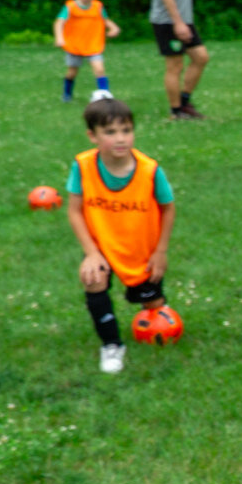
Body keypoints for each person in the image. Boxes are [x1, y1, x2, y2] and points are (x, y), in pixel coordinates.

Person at [65, 99, 176, 375]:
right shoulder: (83, 166)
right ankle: (112, 344)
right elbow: (75, 211)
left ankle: (157, 320)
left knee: (152, 305)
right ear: (93, 136)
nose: (120, 139)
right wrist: (91, 253)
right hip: (101, 246)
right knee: (93, 279)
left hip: (140, 247)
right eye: (110, 132)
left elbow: (168, 208)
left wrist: (160, 252)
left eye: (126, 131)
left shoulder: (149, 170)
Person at [53, 0, 121, 103]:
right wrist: (59, 37)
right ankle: (67, 94)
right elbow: (59, 23)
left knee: (99, 69)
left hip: (93, 45)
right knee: (72, 72)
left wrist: (114, 28)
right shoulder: (70, 6)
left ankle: (105, 95)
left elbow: (105, 20)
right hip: (74, 45)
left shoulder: (97, 6)